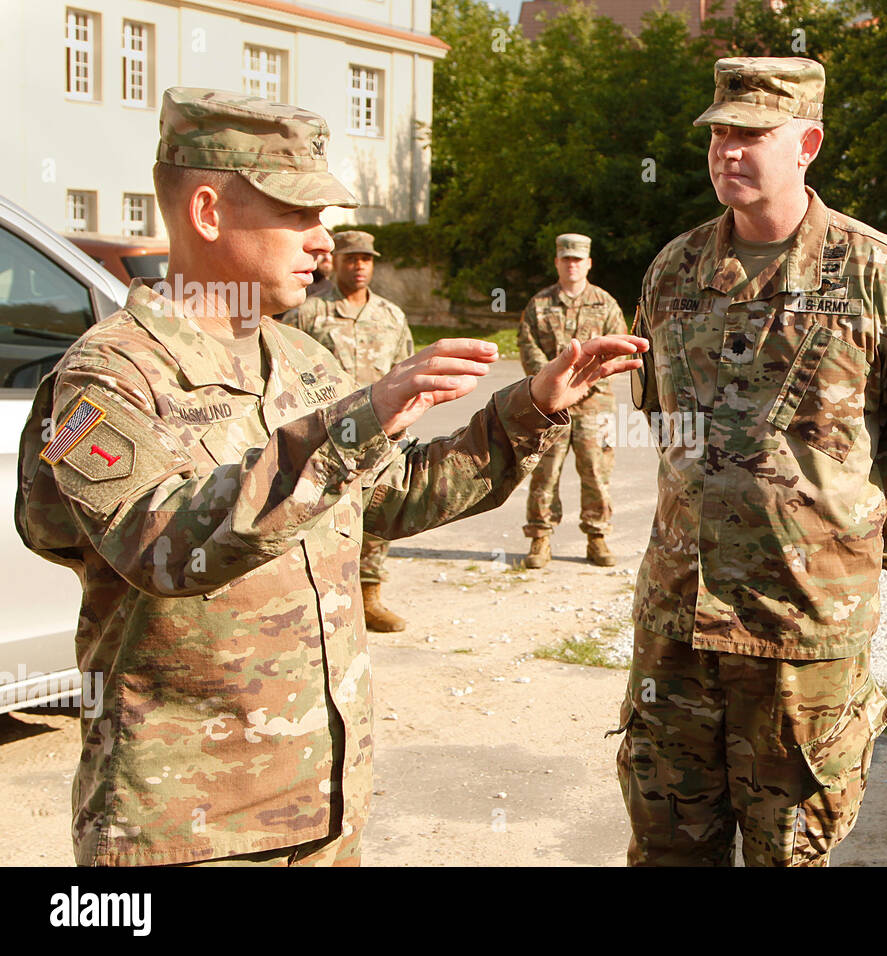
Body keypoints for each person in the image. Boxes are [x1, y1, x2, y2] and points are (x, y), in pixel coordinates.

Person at [14, 87, 646, 867]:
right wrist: (359, 419)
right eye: (298, 215)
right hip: (188, 826)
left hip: (323, 803)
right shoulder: (106, 378)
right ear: (208, 212)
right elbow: (165, 544)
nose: (324, 241)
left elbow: (393, 492)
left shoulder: (303, 361)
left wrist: (527, 410)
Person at [614, 57, 887, 866]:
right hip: (678, 629)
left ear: (807, 142)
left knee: (791, 854)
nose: (727, 150)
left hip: (802, 639)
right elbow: (660, 419)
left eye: (752, 134)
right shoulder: (673, 271)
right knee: (665, 848)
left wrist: (851, 558)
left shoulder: (886, 278)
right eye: (718, 134)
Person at [281, 230, 415, 631]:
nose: (359, 266)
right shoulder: (307, 313)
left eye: (366, 259)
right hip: (323, 437)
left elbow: (406, 370)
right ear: (334, 261)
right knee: (315, 517)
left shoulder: (390, 316)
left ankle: (369, 596)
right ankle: (318, 604)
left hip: (379, 435)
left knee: (378, 512)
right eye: (351, 258)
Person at [516, 233, 626, 568]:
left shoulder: (605, 304)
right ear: (557, 262)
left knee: (596, 472)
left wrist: (584, 383)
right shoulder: (539, 304)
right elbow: (528, 345)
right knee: (544, 472)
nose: (572, 264)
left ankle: (597, 537)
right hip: (550, 407)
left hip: (596, 405)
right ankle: (540, 539)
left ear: (589, 263)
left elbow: (617, 347)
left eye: (578, 259)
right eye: (566, 259)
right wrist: (554, 383)